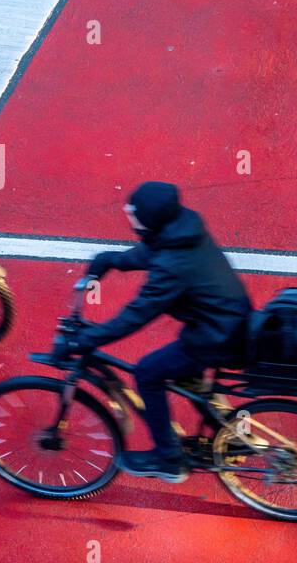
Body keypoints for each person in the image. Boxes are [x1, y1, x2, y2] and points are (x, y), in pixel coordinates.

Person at [69, 181, 252, 483]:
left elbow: (136, 315)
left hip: (216, 337)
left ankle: (167, 458)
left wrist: (87, 338)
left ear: (151, 222)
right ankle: (233, 435)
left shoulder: (173, 263)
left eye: (135, 216)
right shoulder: (182, 231)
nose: (130, 218)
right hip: (224, 324)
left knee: (148, 373)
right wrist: (110, 260)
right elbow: (151, 252)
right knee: (185, 376)